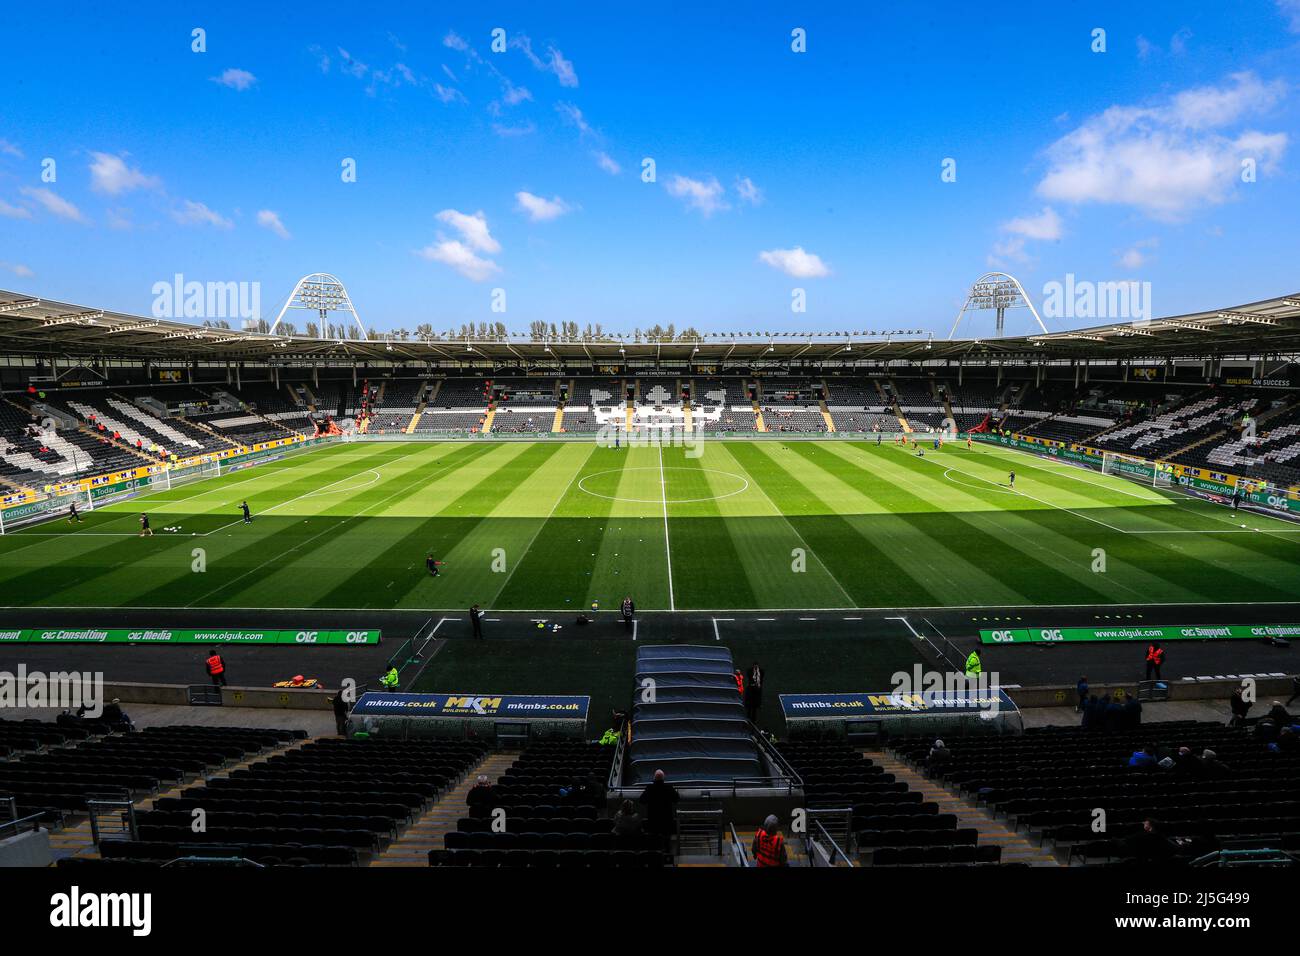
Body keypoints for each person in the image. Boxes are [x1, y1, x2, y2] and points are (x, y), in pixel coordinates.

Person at [639, 769, 680, 844]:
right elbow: (676, 799)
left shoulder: (649, 788)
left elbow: (642, 800)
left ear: (654, 778)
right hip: (666, 819)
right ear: (663, 778)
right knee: (667, 839)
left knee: (654, 840)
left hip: (653, 819)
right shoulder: (669, 788)